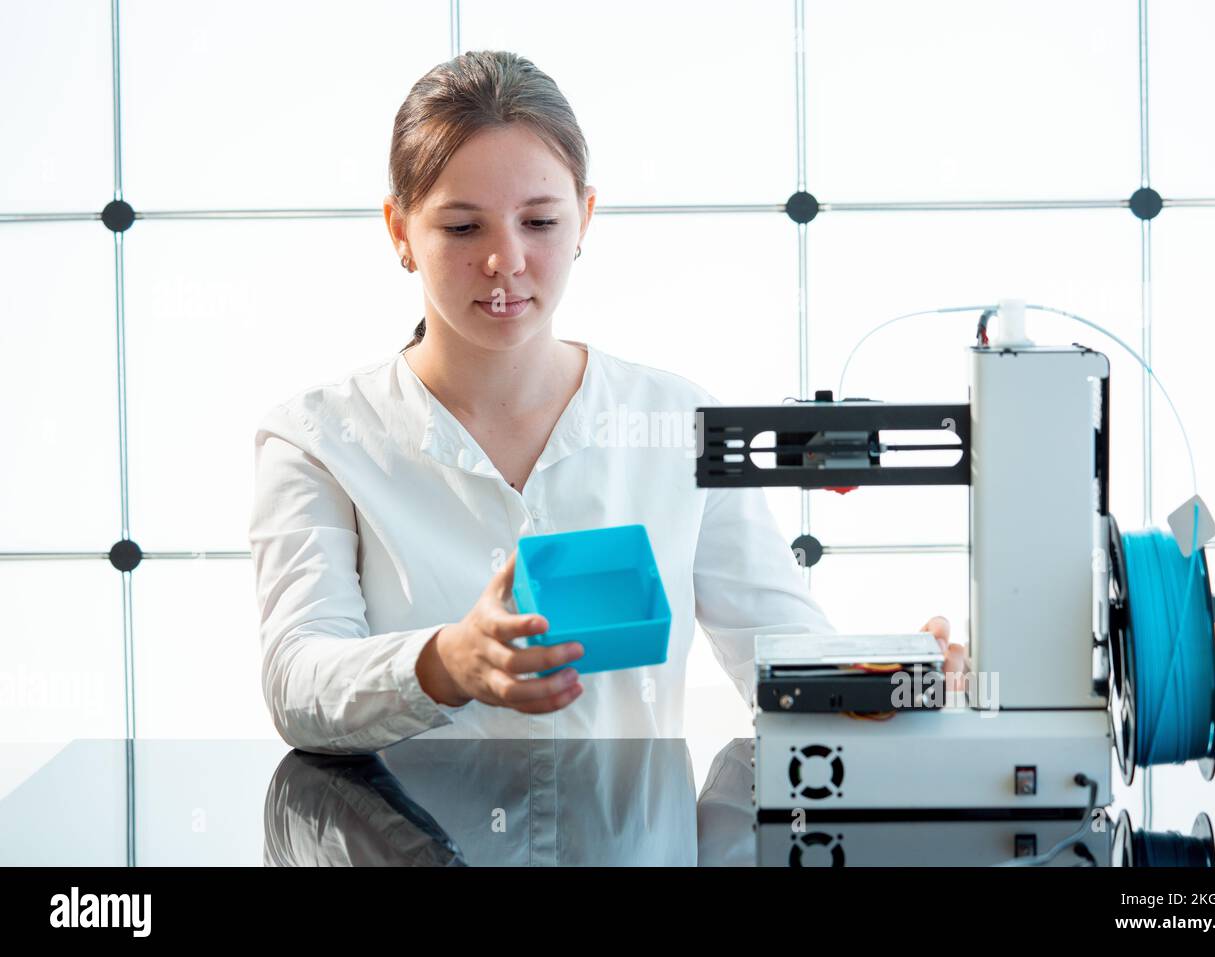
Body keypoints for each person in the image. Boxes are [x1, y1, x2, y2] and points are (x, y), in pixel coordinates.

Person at [248, 50, 967, 756]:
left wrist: (887, 680)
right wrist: (445, 663)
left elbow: (777, 654)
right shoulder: (317, 441)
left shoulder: (680, 426)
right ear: (399, 229)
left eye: (541, 222)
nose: (507, 260)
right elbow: (298, 682)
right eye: (463, 227)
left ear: (585, 218)